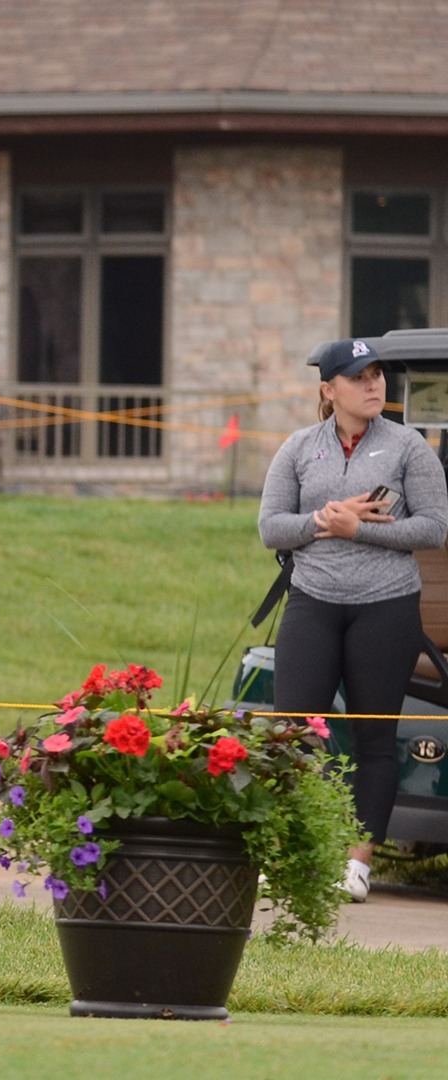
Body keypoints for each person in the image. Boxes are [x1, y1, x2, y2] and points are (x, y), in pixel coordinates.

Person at [259, 337, 448, 903]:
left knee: (373, 736)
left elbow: (434, 527)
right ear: (329, 389)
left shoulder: (408, 447)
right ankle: (293, 850)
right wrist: (322, 519)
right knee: (294, 732)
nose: (374, 386)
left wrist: (359, 529)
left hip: (386, 608)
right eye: (360, 377)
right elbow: (271, 526)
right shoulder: (298, 448)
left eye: (378, 376)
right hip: (313, 603)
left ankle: (356, 863)